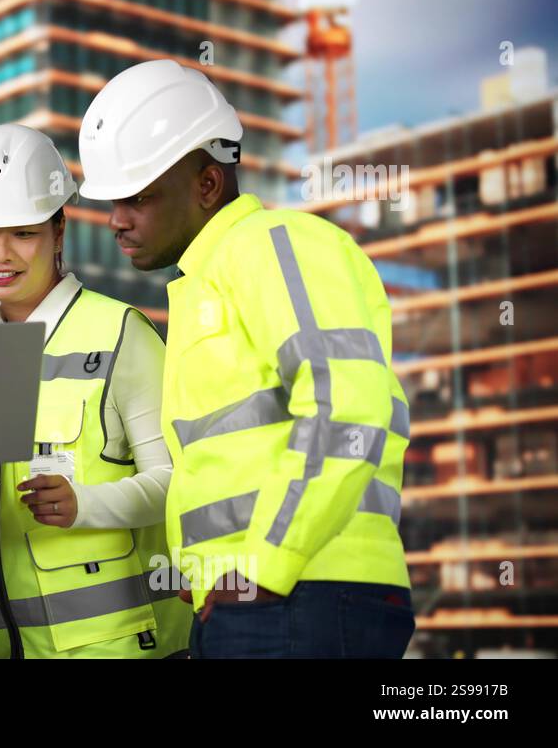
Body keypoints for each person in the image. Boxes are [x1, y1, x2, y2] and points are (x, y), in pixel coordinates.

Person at [77, 59, 415, 658]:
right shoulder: (208, 284)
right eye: (113, 201)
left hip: (305, 592)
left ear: (208, 183)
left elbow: (350, 407)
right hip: (260, 601)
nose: (116, 221)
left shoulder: (278, 244)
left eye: (138, 198)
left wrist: (262, 565)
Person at [0, 124, 189, 658]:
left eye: (22, 233)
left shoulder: (122, 332)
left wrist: (87, 504)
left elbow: (180, 482)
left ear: (59, 229)